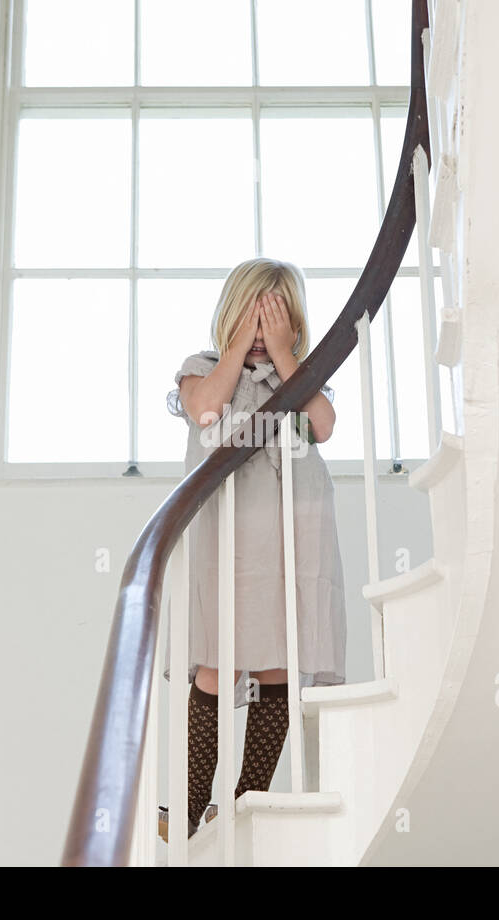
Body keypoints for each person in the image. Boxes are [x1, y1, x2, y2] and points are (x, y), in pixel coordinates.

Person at [160, 257, 348, 841]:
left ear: (294, 325)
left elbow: (322, 425)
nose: (264, 331)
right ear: (231, 317)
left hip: (290, 532)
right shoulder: (204, 368)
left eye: (275, 318)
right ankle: (190, 803)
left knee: (278, 659)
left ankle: (247, 799)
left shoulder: (303, 378)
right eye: (254, 316)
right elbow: (205, 408)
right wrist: (241, 344)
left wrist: (290, 358)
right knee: (218, 659)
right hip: (229, 533)